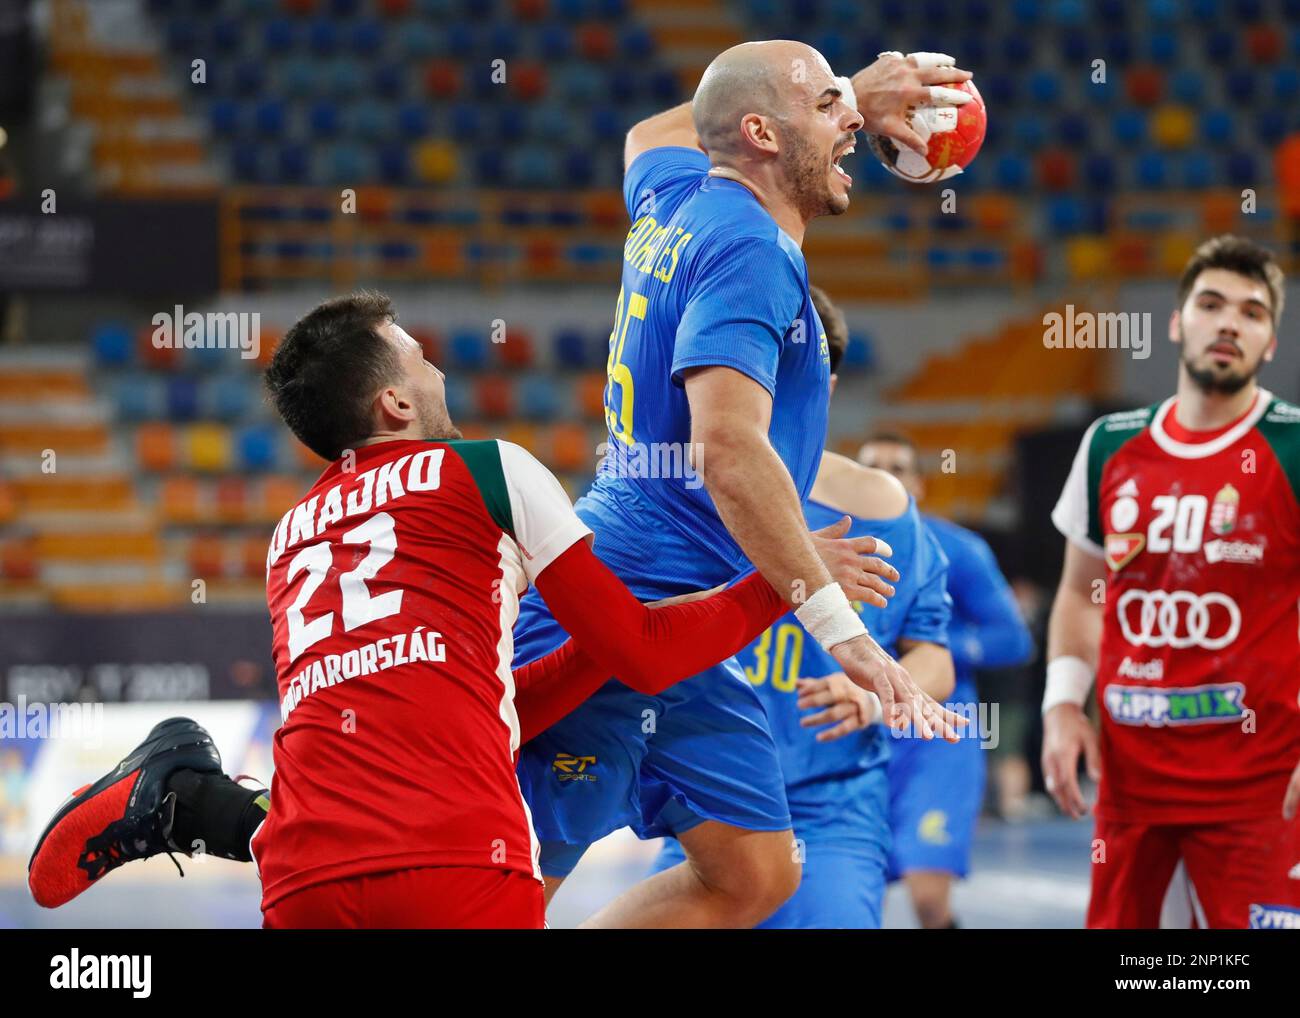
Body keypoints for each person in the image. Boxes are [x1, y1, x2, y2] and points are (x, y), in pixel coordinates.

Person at [26, 293, 870, 928]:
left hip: (299, 875)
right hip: (454, 859)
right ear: (395, 403)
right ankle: (190, 800)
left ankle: (194, 803)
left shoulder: (292, 534)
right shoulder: (489, 470)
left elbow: (481, 712)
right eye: (420, 356)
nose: (437, 368)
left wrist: (599, 651)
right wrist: (783, 584)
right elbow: (647, 652)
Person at [510, 41, 971, 928]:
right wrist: (842, 628)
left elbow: (653, 128)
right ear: (761, 134)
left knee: (756, 872)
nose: (851, 125)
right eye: (828, 107)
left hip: (682, 610)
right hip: (622, 605)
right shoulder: (752, 250)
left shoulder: (675, 193)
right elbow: (730, 453)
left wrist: (850, 92)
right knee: (513, 885)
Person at [651, 285, 957, 928]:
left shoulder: (885, 507)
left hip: (830, 808)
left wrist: (875, 698)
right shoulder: (678, 488)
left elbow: (932, 655)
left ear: (826, 384)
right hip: (710, 810)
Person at [1042, 234, 1300, 929]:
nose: (1229, 323)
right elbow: (1078, 591)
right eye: (1211, 304)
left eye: (1252, 313)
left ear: (1271, 342)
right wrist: (1063, 706)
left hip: (1261, 786)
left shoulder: (1293, 446)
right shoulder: (1109, 444)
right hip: (1130, 784)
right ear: (1178, 321)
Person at [858, 432, 1034, 928]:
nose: (885, 477)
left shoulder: (958, 550)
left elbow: (1013, 640)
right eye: (872, 467)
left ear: (918, 483)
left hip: (937, 737)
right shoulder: (831, 546)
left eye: (898, 467)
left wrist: (926, 644)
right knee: (851, 896)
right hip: (860, 735)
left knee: (928, 896)